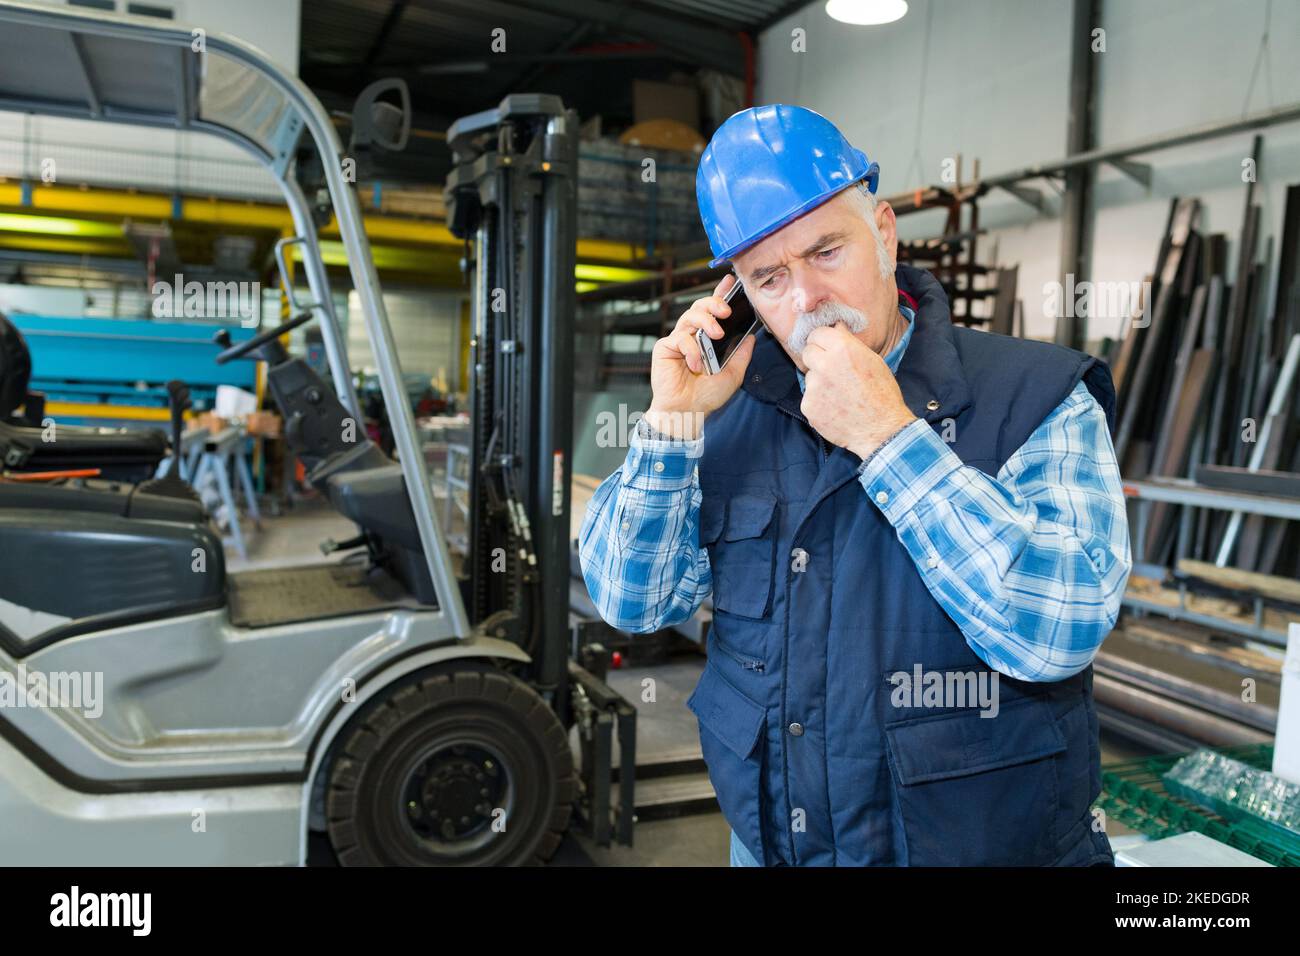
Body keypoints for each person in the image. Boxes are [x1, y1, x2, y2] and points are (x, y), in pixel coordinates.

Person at [580, 104, 1131, 866]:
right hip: (772, 849)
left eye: (826, 251)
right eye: (769, 278)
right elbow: (633, 603)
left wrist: (889, 436)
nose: (805, 299)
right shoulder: (727, 410)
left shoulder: (1035, 394)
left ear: (884, 231)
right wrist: (672, 424)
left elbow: (1054, 633)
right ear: (736, 296)